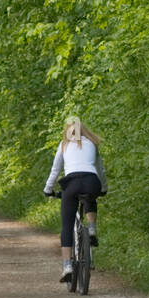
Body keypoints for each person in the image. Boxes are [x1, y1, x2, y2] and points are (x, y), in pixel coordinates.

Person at [43, 116, 106, 283]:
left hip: (71, 184)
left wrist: (48, 190)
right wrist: (103, 188)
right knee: (91, 197)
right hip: (92, 181)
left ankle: (67, 265)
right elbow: (100, 170)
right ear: (84, 130)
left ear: (67, 133)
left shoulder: (64, 145)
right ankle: (91, 229)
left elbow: (55, 170)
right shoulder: (93, 143)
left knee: (67, 225)